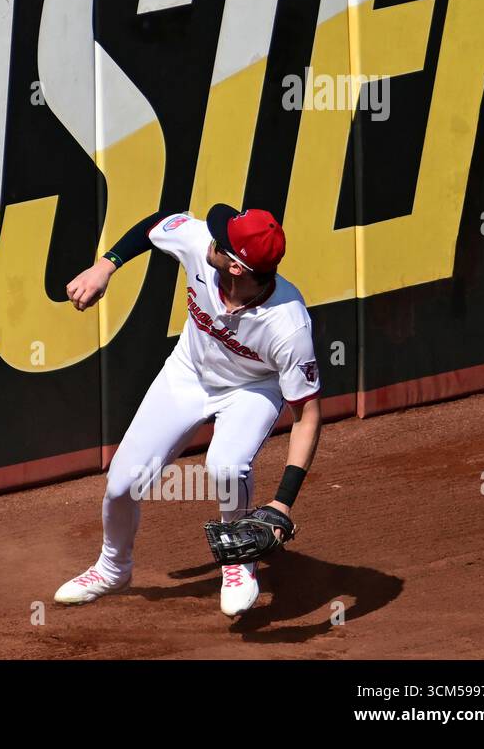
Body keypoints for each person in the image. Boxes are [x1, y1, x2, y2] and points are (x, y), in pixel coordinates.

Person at [55, 205, 322, 617]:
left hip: (252, 388)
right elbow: (155, 223)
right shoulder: (201, 244)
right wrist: (104, 267)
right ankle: (113, 568)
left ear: (237, 267)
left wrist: (283, 502)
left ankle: (238, 561)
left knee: (226, 467)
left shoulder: (288, 326)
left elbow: (307, 415)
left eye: (224, 239)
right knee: (121, 486)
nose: (211, 237)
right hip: (188, 373)